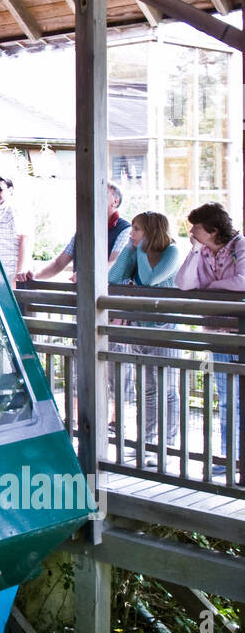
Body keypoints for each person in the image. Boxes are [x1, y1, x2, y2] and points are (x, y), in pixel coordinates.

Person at [174, 203, 245, 470]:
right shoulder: (201, 251)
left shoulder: (240, 246)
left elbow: (242, 282)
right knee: (227, 400)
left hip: (240, 330)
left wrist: (211, 288)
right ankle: (229, 458)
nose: (192, 231)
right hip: (216, 332)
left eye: (197, 227)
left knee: (240, 400)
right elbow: (183, 283)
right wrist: (193, 251)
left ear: (214, 230)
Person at [108, 211, 181, 463]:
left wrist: (140, 249)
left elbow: (150, 279)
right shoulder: (135, 250)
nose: (132, 232)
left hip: (165, 328)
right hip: (141, 327)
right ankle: (148, 443)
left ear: (150, 231)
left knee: (168, 390)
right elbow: (113, 278)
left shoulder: (171, 251)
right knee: (148, 390)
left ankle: (168, 447)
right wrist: (130, 248)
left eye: (137, 229)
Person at [16, 183, 130, 282]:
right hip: (83, 297)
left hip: (112, 299)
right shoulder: (84, 229)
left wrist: (87, 276)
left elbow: (114, 264)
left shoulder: (125, 230)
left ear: (115, 201)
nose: (93, 197)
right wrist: (34, 276)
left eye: (100, 194)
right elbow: (59, 263)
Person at [0, 176, 30, 280]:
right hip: (2, 270)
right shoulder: (2, 210)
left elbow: (24, 238)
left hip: (12, 272)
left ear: (10, 190)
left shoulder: (11, 210)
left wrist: (20, 270)